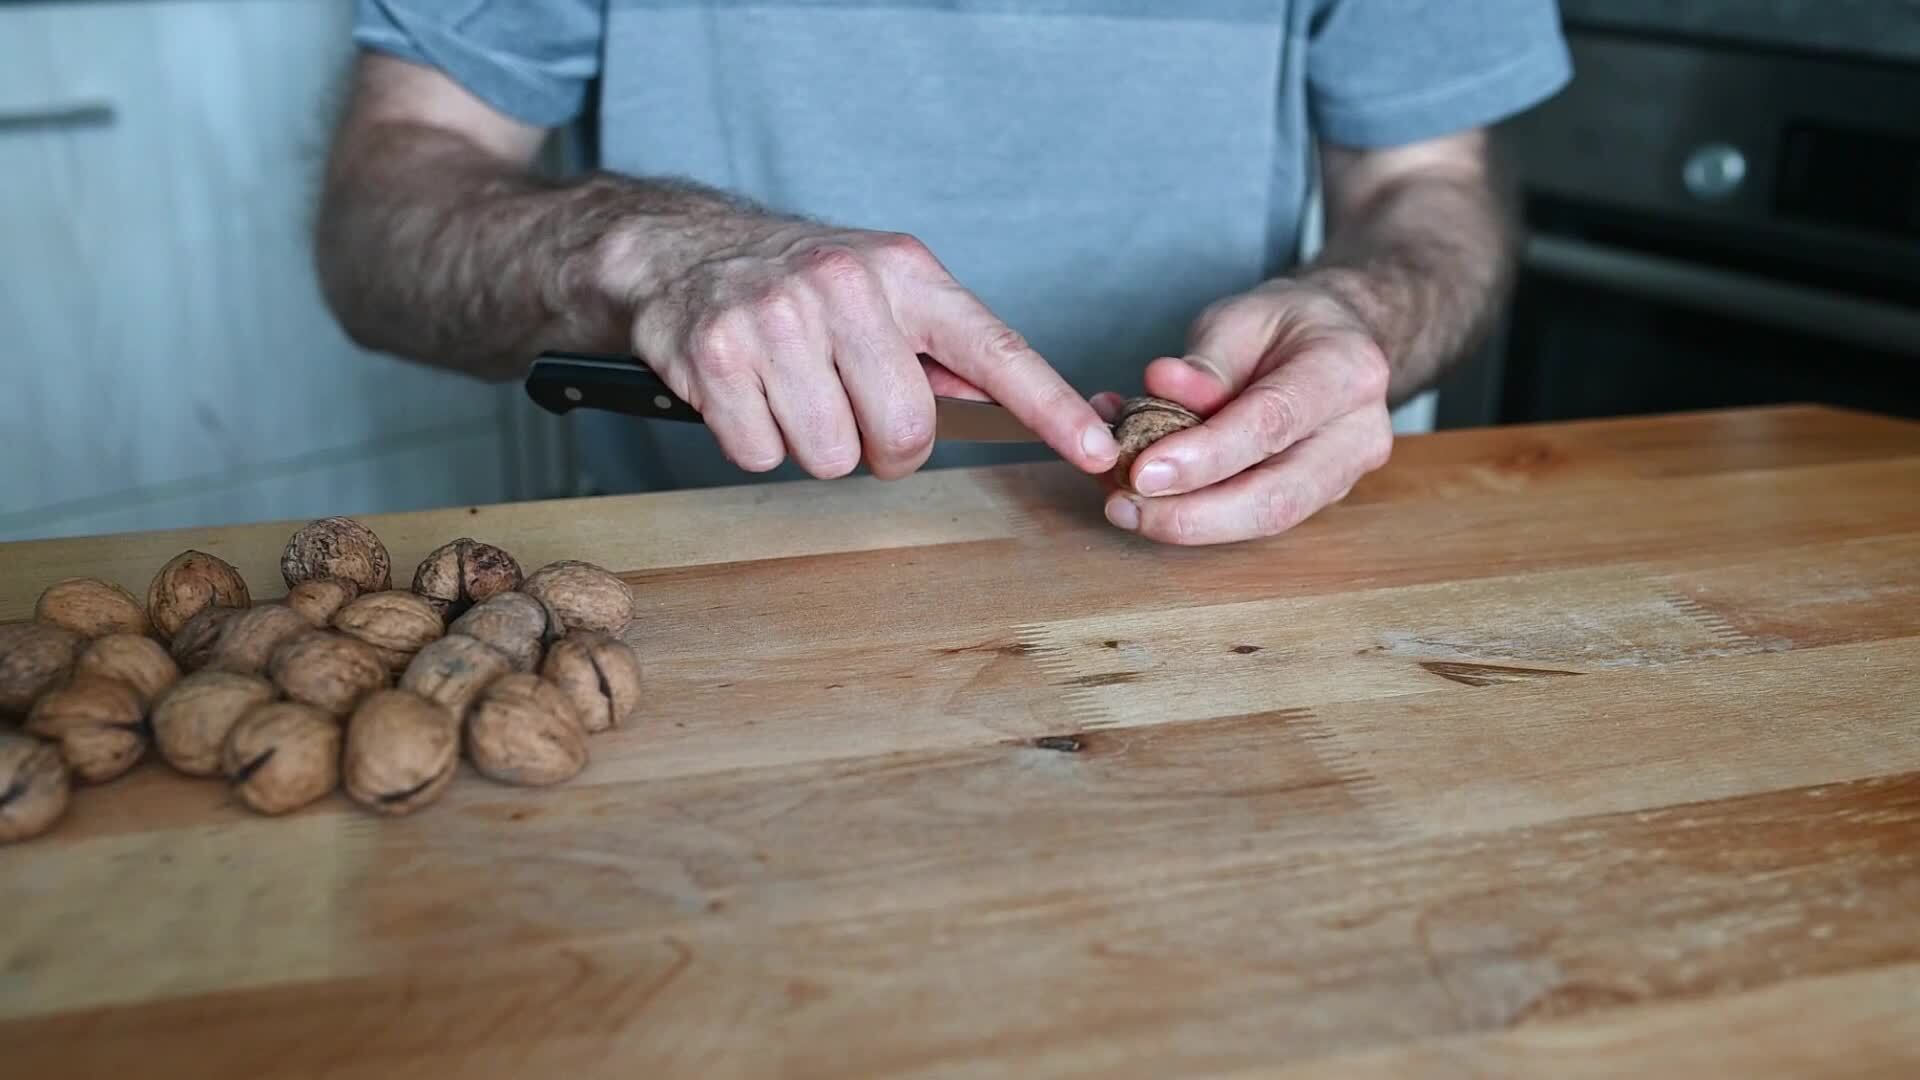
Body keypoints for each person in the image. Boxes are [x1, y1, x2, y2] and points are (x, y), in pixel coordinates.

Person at [316, 1, 1570, 546]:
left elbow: (1431, 189)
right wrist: (649, 251)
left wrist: (1362, 310)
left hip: (1202, 595)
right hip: (702, 602)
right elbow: (383, 218)